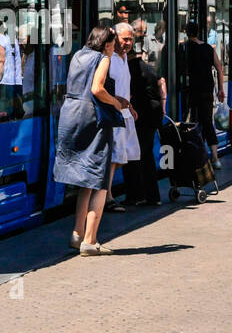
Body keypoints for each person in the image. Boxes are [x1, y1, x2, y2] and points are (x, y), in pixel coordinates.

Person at [53, 25, 122, 256]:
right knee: (100, 181)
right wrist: (115, 103)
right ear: (106, 44)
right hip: (92, 120)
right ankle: (90, 241)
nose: (114, 50)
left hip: (70, 115)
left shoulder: (78, 55)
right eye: (113, 45)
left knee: (84, 181)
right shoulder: (103, 59)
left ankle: (77, 234)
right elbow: (97, 89)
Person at [125, 19, 166, 206]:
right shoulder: (149, 68)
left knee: (134, 155)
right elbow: (161, 84)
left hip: (139, 114)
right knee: (147, 154)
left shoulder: (129, 70)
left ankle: (137, 195)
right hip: (154, 113)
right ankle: (153, 196)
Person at [105, 22, 140, 213]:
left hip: (125, 113)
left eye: (131, 39)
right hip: (114, 113)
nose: (128, 43)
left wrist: (130, 105)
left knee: (123, 156)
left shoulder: (124, 56)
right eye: (124, 39)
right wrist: (118, 103)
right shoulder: (108, 59)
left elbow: (123, 85)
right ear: (115, 38)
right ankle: (107, 195)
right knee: (114, 156)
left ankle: (105, 191)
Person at [181, 19, 223, 166]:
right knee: (207, 122)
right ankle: (216, 158)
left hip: (191, 90)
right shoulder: (208, 48)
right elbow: (219, 68)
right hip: (207, 90)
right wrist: (221, 89)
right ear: (198, 32)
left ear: (186, 32)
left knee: (191, 123)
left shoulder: (184, 48)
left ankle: (195, 156)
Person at [0, 20, 25, 122]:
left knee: (1, 115)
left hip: (3, 83)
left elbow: (1, 60)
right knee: (11, 115)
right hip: (15, 82)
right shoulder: (12, 40)